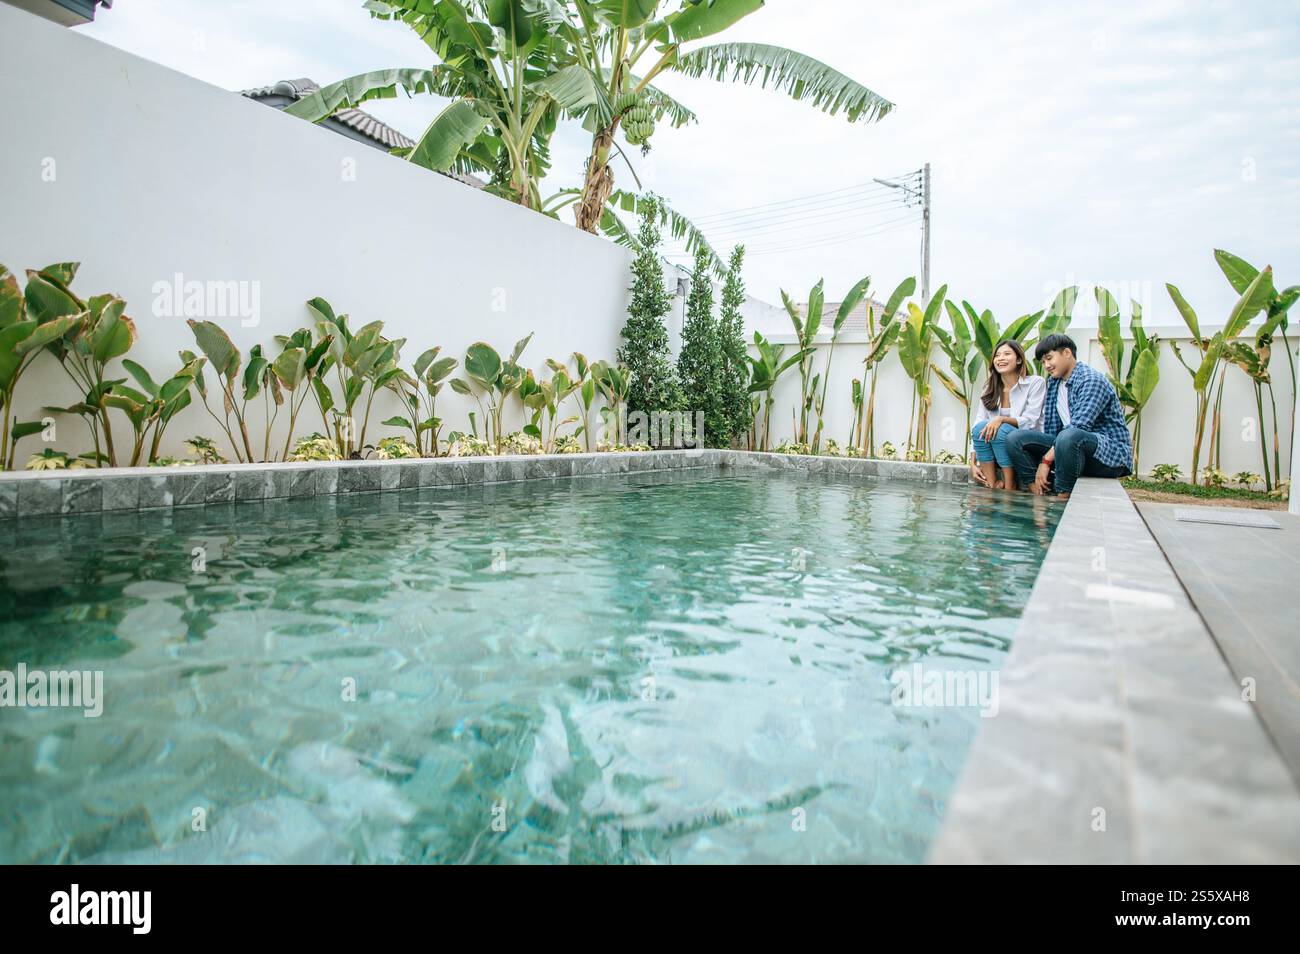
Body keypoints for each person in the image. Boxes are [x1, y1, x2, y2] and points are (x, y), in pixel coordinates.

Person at [1004, 333, 1133, 500]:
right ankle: (1037, 492)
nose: (1046, 365)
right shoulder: (1054, 382)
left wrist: (1045, 462)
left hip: (1107, 455)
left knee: (1069, 435)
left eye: (1049, 358)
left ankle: (1062, 498)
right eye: (1043, 362)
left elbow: (1079, 427)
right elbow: (1053, 431)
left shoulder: (1091, 380)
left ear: (1066, 353)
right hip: (1069, 448)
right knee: (1014, 438)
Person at [969, 339, 1045, 490]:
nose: (1001, 358)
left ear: (1019, 359)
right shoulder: (989, 387)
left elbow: (1031, 421)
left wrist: (1001, 419)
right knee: (979, 428)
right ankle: (992, 484)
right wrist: (972, 463)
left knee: (1001, 429)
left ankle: (1010, 485)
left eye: (1006, 354)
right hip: (996, 446)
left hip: (1025, 443)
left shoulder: (1035, 383)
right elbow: (978, 422)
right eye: (997, 355)